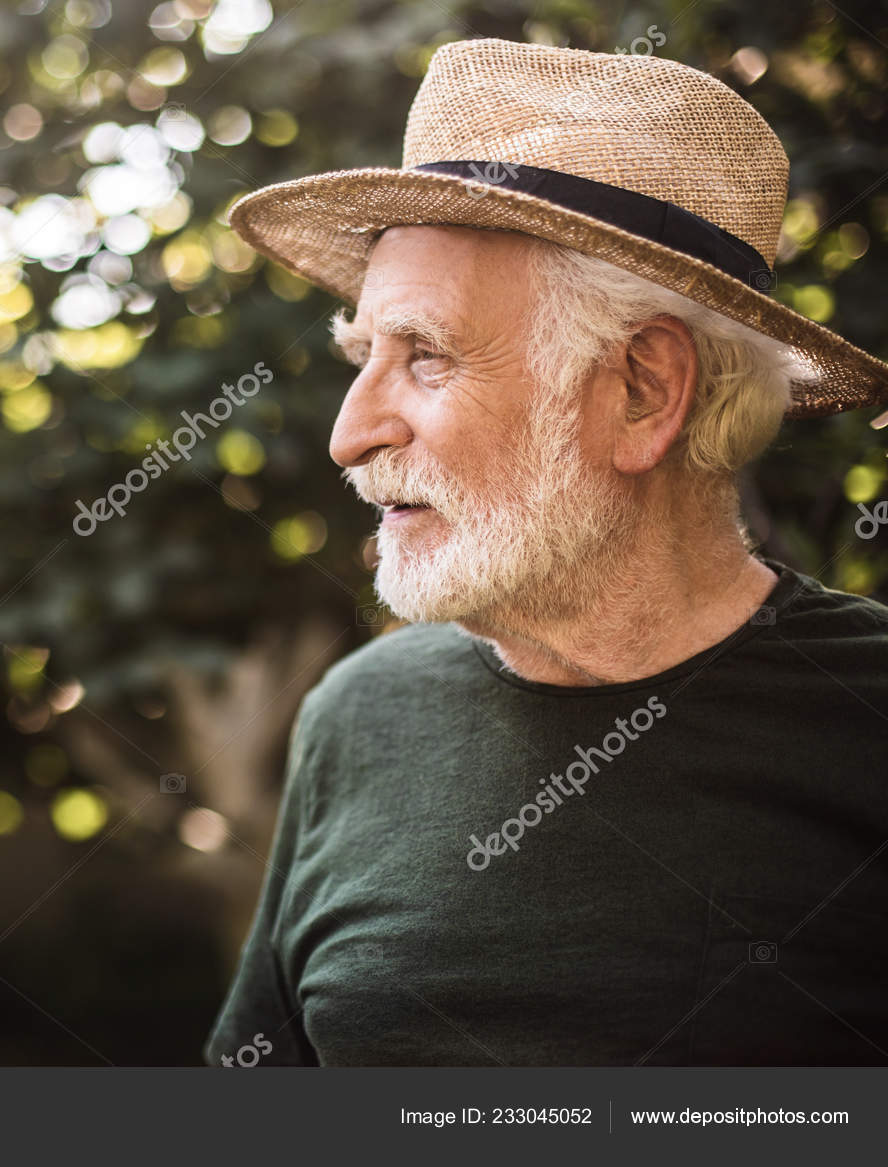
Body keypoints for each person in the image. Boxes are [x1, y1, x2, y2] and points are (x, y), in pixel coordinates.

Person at [205, 37, 888, 1066]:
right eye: (363, 357)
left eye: (424, 355)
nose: (350, 436)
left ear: (643, 391)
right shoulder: (358, 715)